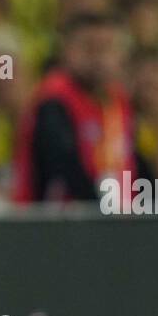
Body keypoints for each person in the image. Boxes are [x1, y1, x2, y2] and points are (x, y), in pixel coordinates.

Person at [12, 12, 135, 205]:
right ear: (66, 51)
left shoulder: (118, 100)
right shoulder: (53, 100)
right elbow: (64, 168)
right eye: (89, 48)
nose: (99, 58)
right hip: (61, 224)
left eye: (107, 49)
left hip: (117, 220)